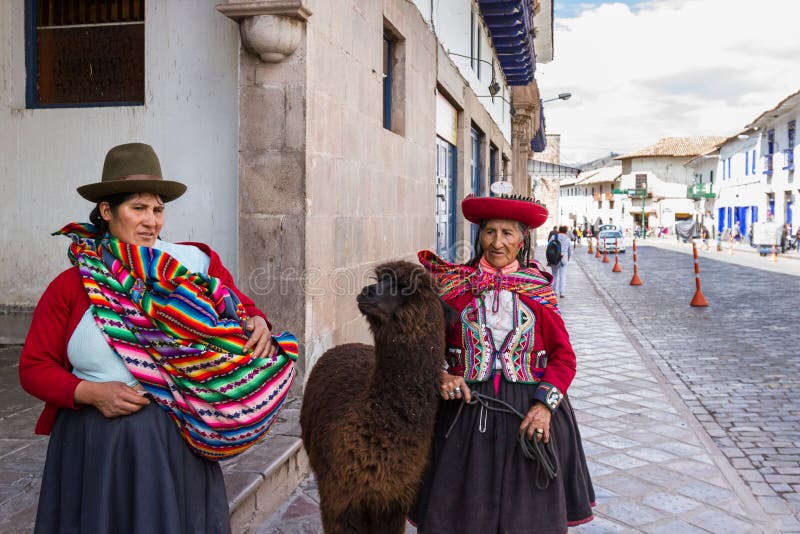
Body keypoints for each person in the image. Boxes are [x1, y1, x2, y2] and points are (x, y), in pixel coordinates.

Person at [19, 143, 282, 533]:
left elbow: (239, 306)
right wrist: (91, 393)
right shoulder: (74, 286)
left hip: (175, 445)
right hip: (97, 450)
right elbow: (33, 367)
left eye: (158, 209)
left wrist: (258, 321)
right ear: (107, 211)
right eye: (138, 208)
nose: (151, 221)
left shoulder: (193, 264)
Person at [413, 194, 595, 533]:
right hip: (464, 415)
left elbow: (564, 358)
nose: (497, 243)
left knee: (526, 519)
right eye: (490, 232)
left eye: (507, 233)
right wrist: (440, 375)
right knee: (460, 516)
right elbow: (422, 347)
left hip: (528, 414)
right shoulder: (453, 288)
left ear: (521, 239)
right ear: (479, 236)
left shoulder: (537, 290)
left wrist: (544, 407)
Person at [551, 225, 572, 298]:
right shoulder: (568, 239)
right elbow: (570, 251)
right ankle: (562, 292)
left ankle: (554, 292)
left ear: (559, 230)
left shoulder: (554, 237)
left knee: (554, 274)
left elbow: (549, 247)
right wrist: (568, 258)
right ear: (566, 231)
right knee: (563, 275)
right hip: (564, 258)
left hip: (554, 258)